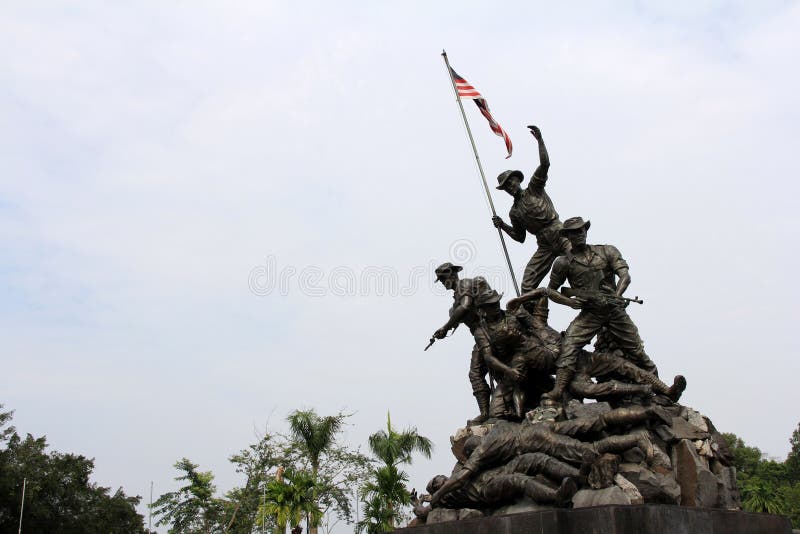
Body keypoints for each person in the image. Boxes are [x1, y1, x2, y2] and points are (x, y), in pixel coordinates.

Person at [429, 410, 658, 507]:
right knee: (595, 424)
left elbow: (462, 477)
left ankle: (636, 439)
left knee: (591, 448)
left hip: (537, 440)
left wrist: (436, 495)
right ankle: (643, 416)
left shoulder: (482, 452)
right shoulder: (498, 428)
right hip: (538, 429)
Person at [540, 217, 658, 401]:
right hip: (590, 314)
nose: (578, 234)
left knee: (637, 350)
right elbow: (551, 291)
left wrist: (618, 295)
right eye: (573, 232)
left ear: (586, 231)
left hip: (613, 310)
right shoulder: (563, 262)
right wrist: (569, 302)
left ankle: (660, 390)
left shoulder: (606, 251)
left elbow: (625, 275)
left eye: (581, 230)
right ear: (568, 236)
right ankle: (558, 390)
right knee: (569, 346)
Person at [491, 125, 570, 328]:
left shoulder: (534, 188)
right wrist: (503, 226)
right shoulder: (514, 212)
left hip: (559, 233)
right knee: (527, 283)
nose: (510, 187)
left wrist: (540, 140)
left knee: (578, 262)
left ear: (518, 180)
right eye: (506, 186)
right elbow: (520, 237)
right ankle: (534, 318)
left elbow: (545, 164)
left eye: (511, 182)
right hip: (543, 244)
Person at [431, 263, 493, 424]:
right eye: (442, 280)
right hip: (478, 335)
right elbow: (456, 316)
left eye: (445, 279)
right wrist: (443, 331)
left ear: (453, 275)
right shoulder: (454, 304)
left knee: (485, 370)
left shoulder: (464, 284)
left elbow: (465, 306)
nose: (444, 283)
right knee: (475, 373)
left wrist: (445, 327)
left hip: (487, 330)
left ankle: (492, 410)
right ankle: (486, 412)